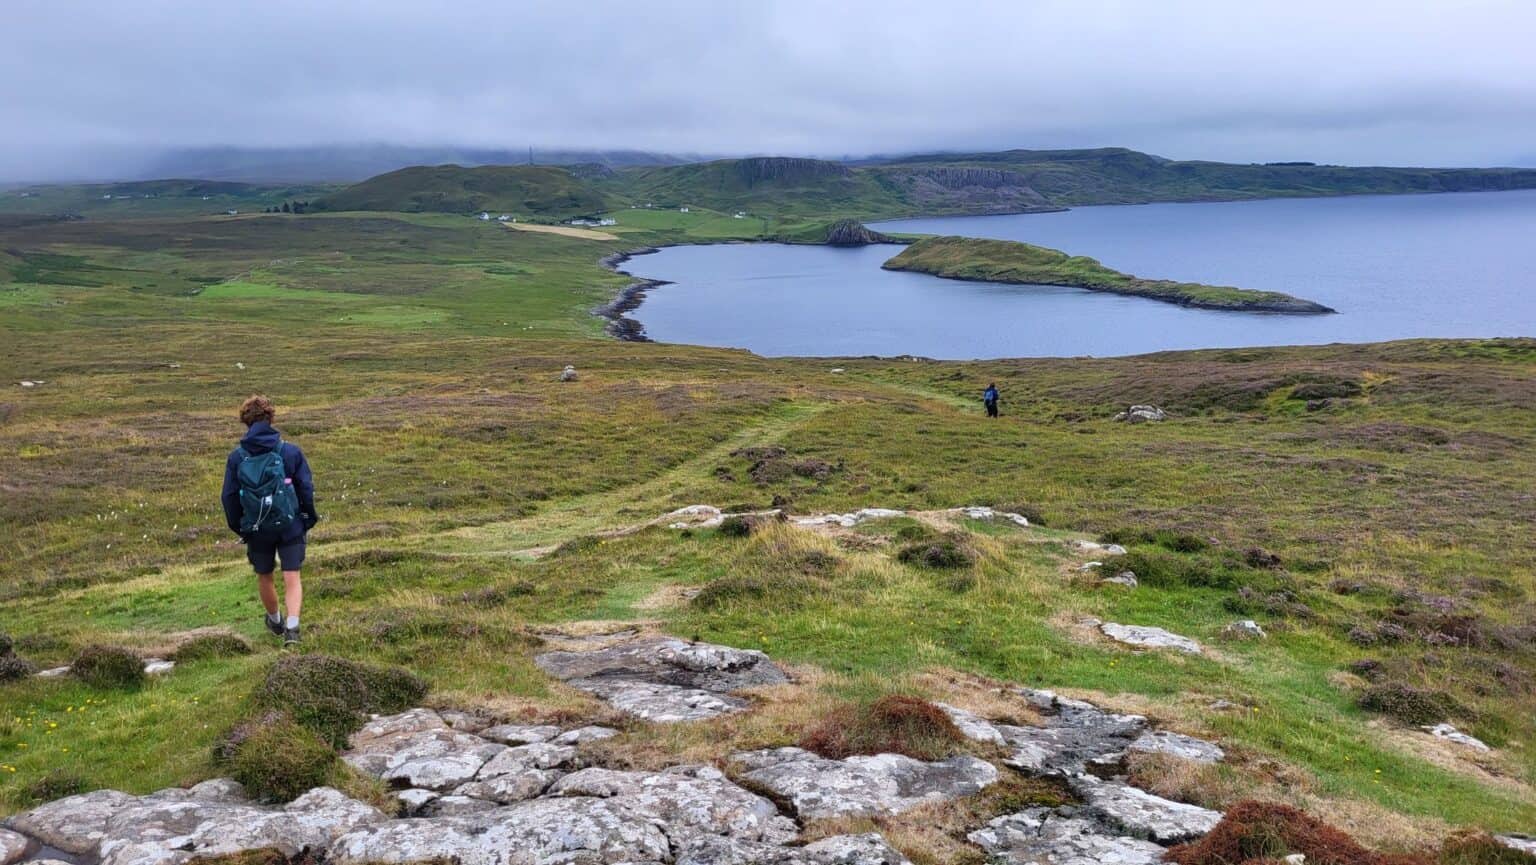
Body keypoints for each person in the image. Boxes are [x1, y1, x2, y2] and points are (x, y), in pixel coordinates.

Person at [221, 395, 318, 646]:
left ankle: (275, 621)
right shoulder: (290, 452)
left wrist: (240, 527)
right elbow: (305, 488)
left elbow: (229, 497)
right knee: (291, 575)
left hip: (256, 527)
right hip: (290, 524)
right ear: (271, 418)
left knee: (264, 575)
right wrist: (307, 518)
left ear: (246, 422)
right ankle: (293, 629)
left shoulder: (237, 458)